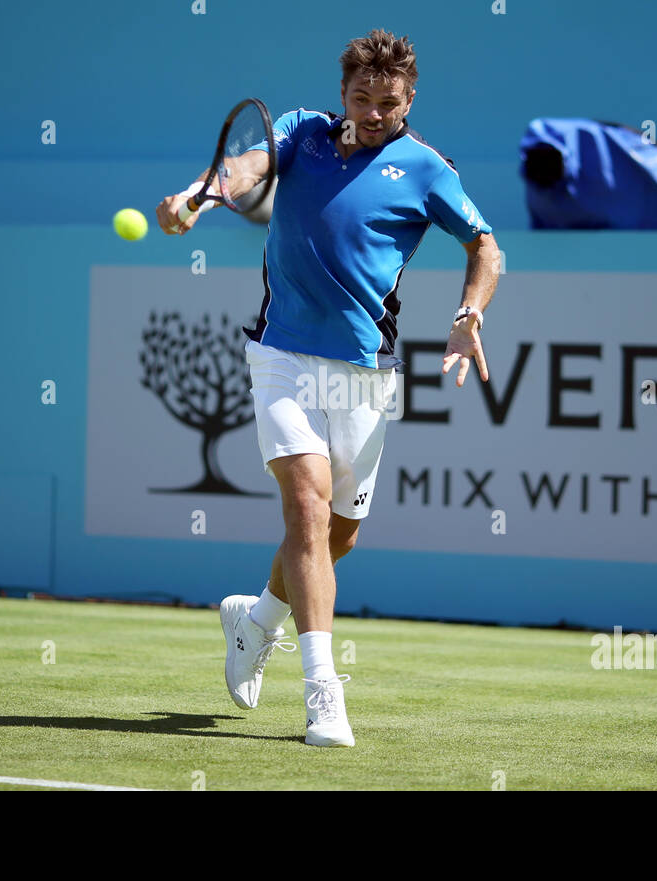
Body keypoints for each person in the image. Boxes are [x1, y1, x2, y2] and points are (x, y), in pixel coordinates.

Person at [156, 29, 499, 747]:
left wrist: (469, 314)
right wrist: (201, 194)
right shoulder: (301, 131)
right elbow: (247, 165)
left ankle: (255, 623)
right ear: (343, 92)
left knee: (338, 533)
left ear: (410, 101)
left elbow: (484, 246)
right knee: (306, 512)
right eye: (362, 98)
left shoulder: (428, 168)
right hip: (280, 352)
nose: (373, 113)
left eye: (389, 103)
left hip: (364, 370)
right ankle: (323, 695)